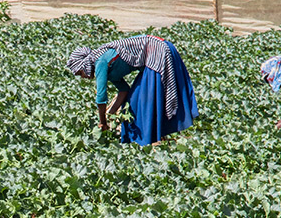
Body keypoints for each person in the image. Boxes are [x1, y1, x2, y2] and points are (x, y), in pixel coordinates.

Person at [65, 36, 198, 146]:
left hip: (158, 51)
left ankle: (149, 139)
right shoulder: (107, 68)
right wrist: (111, 113)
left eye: (80, 73)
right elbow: (124, 91)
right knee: (134, 100)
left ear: (84, 64)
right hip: (154, 55)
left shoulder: (100, 62)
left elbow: (101, 98)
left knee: (142, 102)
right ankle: (153, 135)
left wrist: (103, 122)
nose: (82, 76)